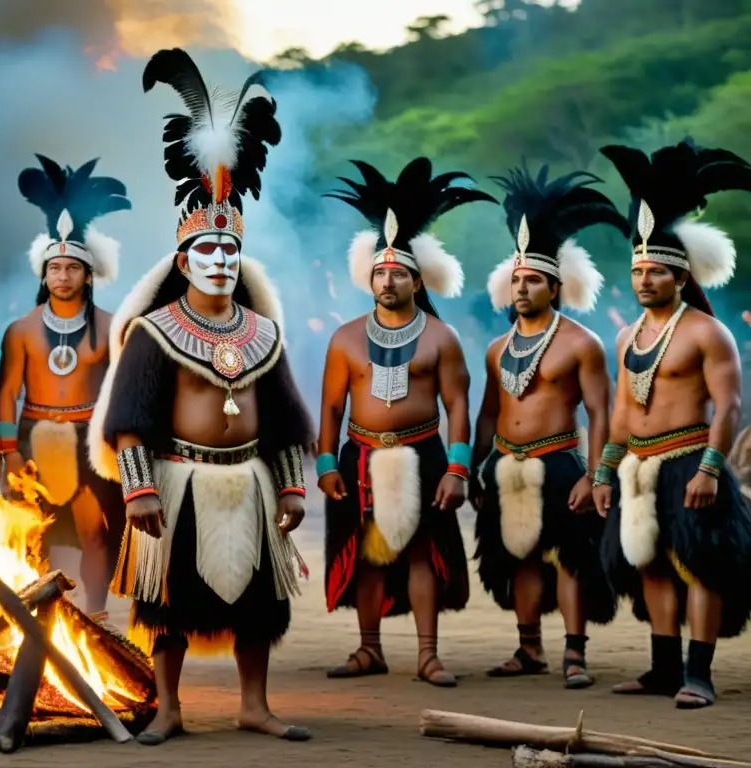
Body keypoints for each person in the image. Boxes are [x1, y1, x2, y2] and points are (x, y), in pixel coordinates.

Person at [87, 48, 314, 744]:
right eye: (206, 251)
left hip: (247, 481)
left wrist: (292, 487)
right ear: (183, 259)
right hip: (176, 481)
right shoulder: (154, 333)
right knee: (166, 605)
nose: (219, 261)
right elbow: (129, 423)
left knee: (258, 604)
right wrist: (138, 490)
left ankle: (254, 705)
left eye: (229, 251)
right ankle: (168, 708)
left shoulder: (264, 333)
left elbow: (283, 422)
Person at [317, 157, 494, 685]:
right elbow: (330, 406)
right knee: (367, 554)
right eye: (380, 271)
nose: (387, 279)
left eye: (398, 272)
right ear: (368, 278)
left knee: (423, 552)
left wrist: (458, 470)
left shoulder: (442, 338)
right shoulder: (345, 338)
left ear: (418, 280)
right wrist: (327, 462)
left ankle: (427, 655)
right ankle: (369, 649)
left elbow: (458, 407)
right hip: (360, 454)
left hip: (423, 454)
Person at [594, 138, 751, 709]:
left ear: (681, 276)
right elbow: (620, 411)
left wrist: (711, 468)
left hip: (691, 460)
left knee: (701, 567)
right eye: (638, 271)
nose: (644, 280)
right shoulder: (624, 336)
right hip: (636, 465)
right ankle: (663, 668)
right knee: (651, 563)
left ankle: (699, 675)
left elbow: (729, 406)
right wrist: (605, 472)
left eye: (656, 271)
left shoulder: (708, 333)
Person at [471, 163, 626, 687]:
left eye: (532, 280)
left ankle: (575, 655)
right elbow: (489, 412)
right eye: (516, 280)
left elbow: (602, 412)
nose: (521, 288)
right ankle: (528, 648)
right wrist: (474, 465)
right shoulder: (496, 349)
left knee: (568, 560)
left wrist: (597, 475)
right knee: (520, 558)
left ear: (554, 287)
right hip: (505, 464)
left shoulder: (581, 343)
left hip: (560, 461)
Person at [0, 154, 130, 615]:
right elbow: (5, 392)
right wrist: (8, 451)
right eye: (55, 268)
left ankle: (96, 613)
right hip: (34, 436)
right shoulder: (21, 331)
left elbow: (123, 393)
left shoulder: (112, 327)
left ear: (89, 274)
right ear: (43, 273)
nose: (63, 276)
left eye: (73, 268)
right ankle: (37, 617)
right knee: (35, 531)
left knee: (95, 530)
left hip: (88, 439)